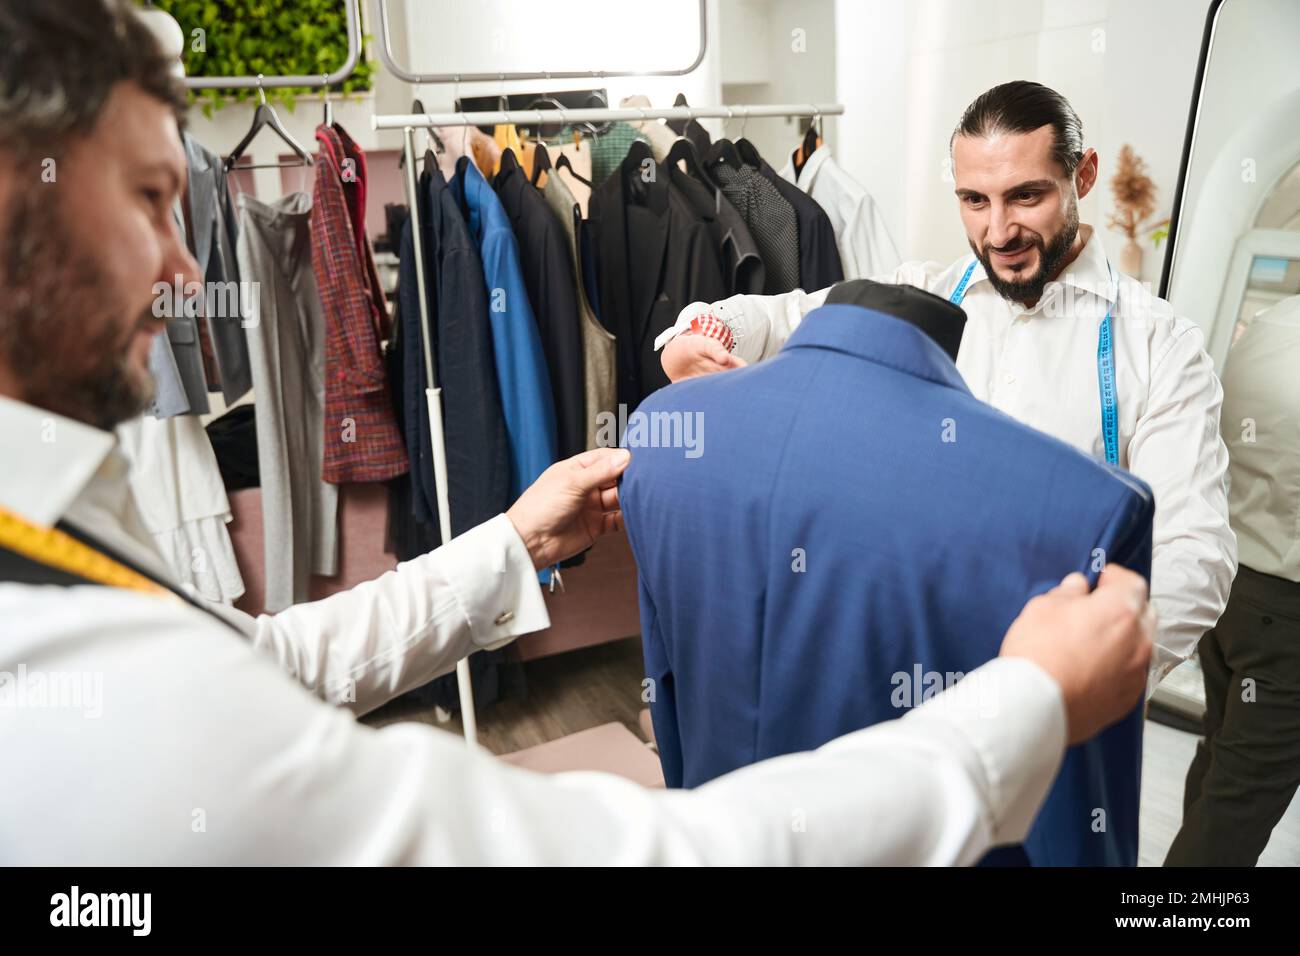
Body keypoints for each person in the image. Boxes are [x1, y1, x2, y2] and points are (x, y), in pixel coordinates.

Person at [0, 0, 1150, 865]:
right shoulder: (68, 674)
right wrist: (1028, 701)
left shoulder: (54, 549)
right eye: (152, 198)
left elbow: (261, 662)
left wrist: (509, 537)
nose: (188, 266)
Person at [659, 81, 1236, 695]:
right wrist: (698, 333)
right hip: (907, 665)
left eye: (1026, 196)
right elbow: (784, 317)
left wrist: (1077, 673)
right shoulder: (919, 297)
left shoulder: (1159, 344)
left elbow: (1194, 554)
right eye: (974, 200)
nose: (999, 231)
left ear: (1083, 176)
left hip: (1063, 693)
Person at [1166, 294, 1300, 866]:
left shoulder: (1278, 321)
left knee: (1223, 753)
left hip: (1233, 585)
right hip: (1287, 608)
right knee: (1240, 801)